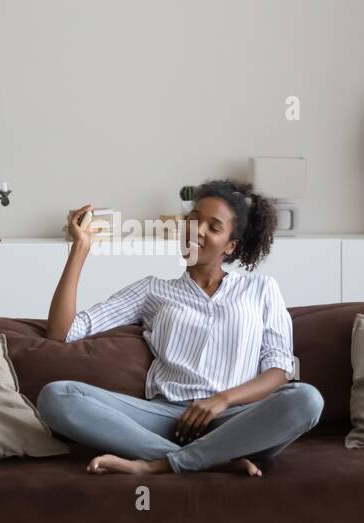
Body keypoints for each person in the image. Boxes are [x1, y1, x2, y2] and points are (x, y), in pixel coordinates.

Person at [38, 179, 324, 476]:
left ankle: (160, 464)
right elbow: (64, 332)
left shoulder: (262, 289)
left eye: (213, 227)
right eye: (193, 220)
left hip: (235, 419)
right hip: (166, 418)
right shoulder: (152, 290)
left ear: (230, 246)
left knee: (306, 399)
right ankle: (212, 460)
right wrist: (80, 250)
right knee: (57, 395)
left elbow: (278, 371)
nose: (197, 230)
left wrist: (221, 400)